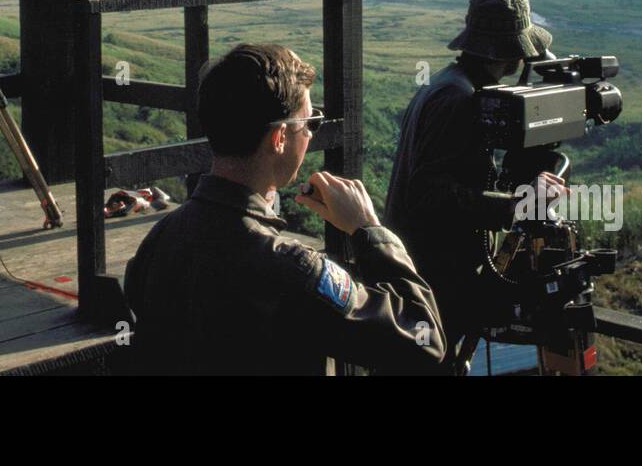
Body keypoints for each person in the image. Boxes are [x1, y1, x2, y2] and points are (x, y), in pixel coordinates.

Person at [124, 42, 446, 375]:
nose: (309, 134)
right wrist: (370, 232)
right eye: (309, 124)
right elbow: (424, 339)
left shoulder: (159, 240)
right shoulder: (291, 270)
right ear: (279, 138)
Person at [384, 0, 568, 368]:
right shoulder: (458, 99)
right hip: (433, 274)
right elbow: (427, 193)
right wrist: (516, 207)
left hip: (423, 267)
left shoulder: (452, 84)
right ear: (511, 51)